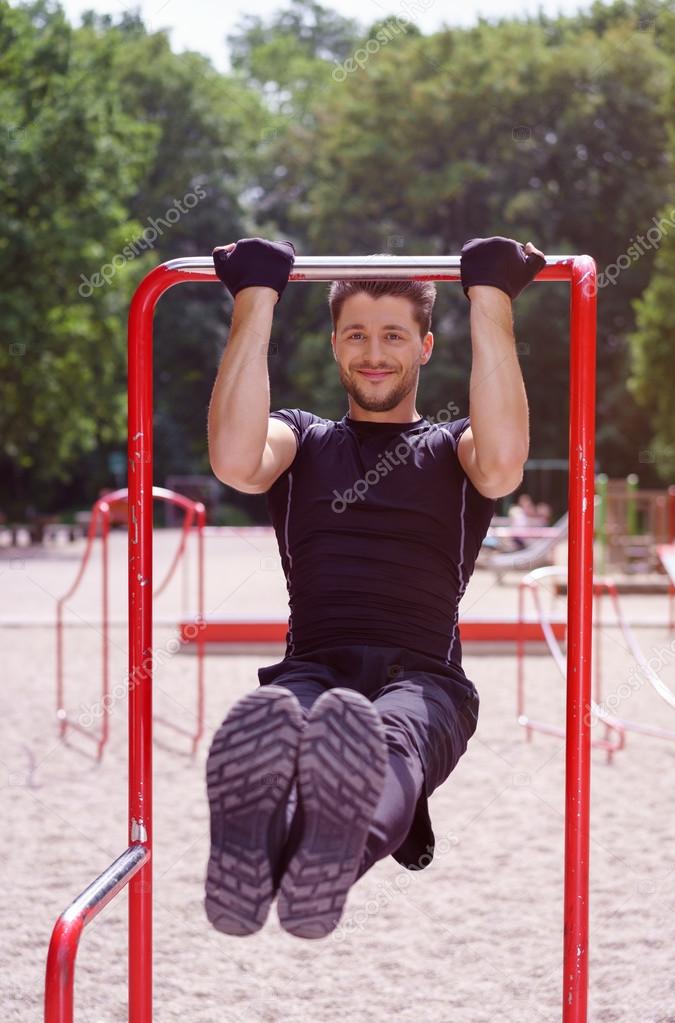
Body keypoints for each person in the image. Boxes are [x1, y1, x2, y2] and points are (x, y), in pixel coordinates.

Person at [205, 234, 545, 940]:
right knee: (280, 717)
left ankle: (298, 862)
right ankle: (284, 855)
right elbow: (237, 459)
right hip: (312, 670)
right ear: (334, 345)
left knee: (389, 736)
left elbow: (507, 462)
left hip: (425, 681)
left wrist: (491, 297)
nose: (373, 352)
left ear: (424, 346)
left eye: (393, 335)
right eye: (356, 334)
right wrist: (256, 296)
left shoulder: (457, 448)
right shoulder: (302, 439)